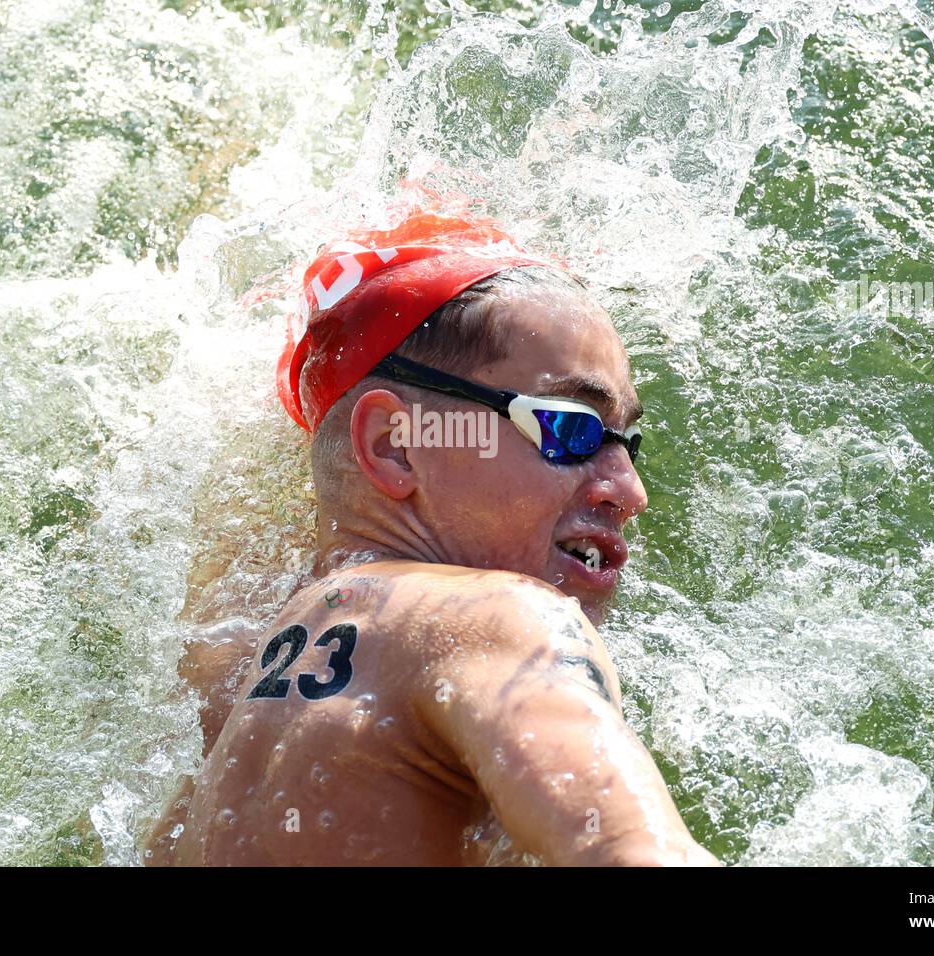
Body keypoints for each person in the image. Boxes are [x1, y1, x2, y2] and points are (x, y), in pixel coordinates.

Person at [145, 202, 719, 866]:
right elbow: (630, 853)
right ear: (394, 445)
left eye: (629, 444)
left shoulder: (237, 688)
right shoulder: (494, 622)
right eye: (571, 428)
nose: (629, 490)